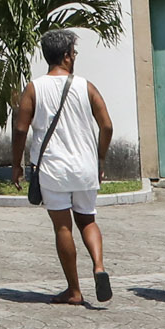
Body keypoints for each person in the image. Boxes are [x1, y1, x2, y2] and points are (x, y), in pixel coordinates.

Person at [19, 29, 114, 305]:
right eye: (74, 52)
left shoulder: (34, 88)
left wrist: (16, 165)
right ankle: (98, 266)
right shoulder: (87, 86)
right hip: (85, 166)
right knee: (88, 219)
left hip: (52, 169)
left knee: (63, 228)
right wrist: (100, 158)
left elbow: (20, 129)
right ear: (67, 57)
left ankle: (74, 290)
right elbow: (106, 125)